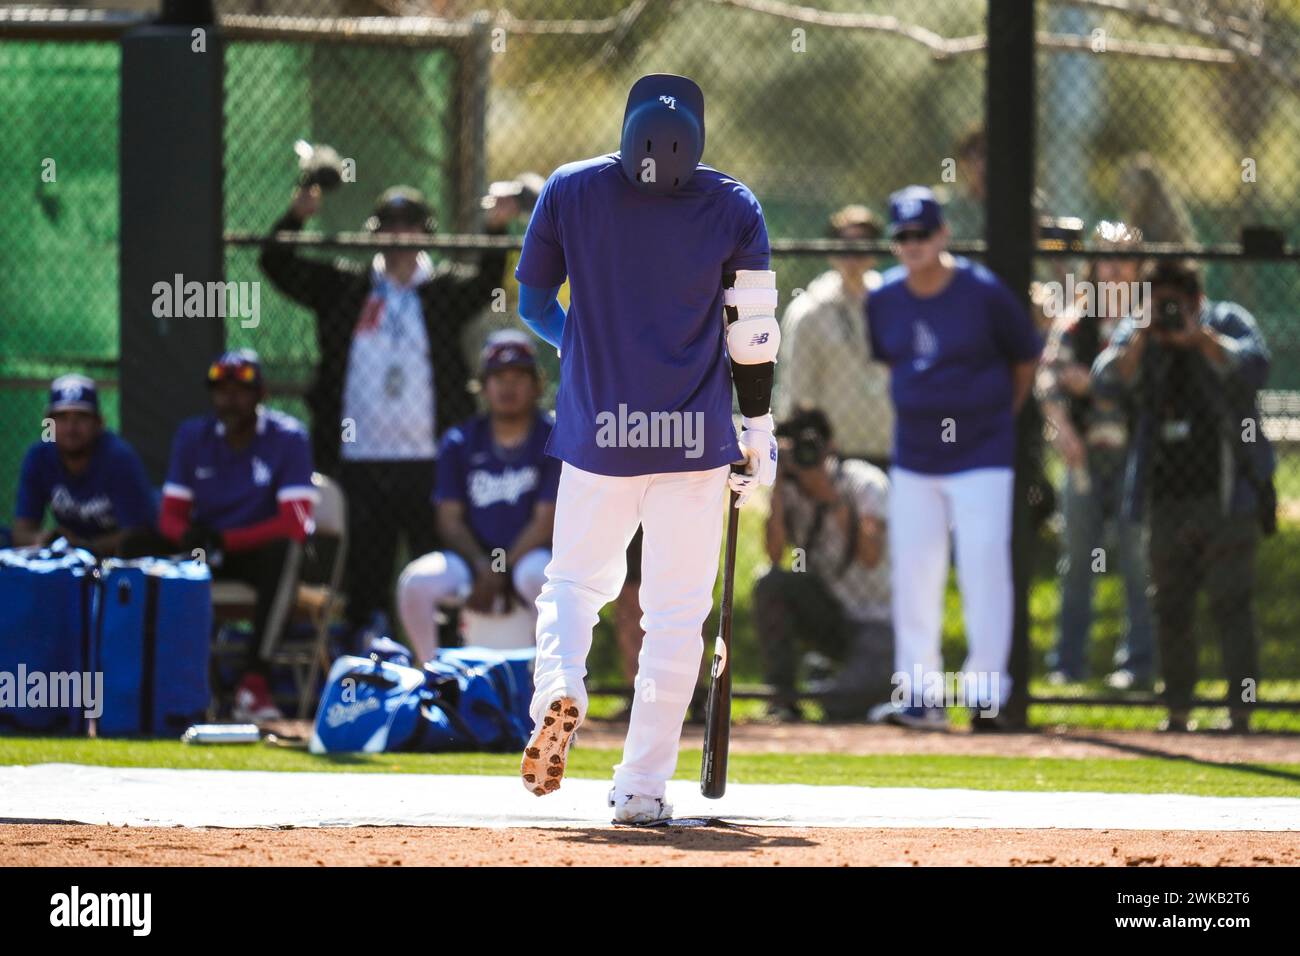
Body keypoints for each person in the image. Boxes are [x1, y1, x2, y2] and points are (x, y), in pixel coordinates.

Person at [513, 74, 777, 823]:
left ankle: (560, 685)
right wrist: (757, 431)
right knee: (673, 616)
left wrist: (583, 350)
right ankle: (640, 789)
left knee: (572, 586)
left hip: (600, 432)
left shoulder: (570, 188)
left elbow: (534, 301)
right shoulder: (732, 205)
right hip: (694, 442)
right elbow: (753, 337)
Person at [259, 180, 516, 639]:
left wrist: (496, 227)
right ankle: (367, 675)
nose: (400, 235)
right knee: (366, 581)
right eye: (390, 226)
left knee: (435, 572)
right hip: (361, 461)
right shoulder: (346, 287)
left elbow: (484, 282)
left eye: (411, 226)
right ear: (375, 232)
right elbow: (276, 264)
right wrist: (297, 215)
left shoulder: (441, 292)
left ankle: (443, 676)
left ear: (426, 233)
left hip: (428, 462)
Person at [864, 186, 1042, 731]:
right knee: (916, 573)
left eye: (922, 233)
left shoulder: (982, 292)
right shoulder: (884, 299)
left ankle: (987, 695)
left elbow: (1025, 360)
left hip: (983, 452)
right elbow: (893, 365)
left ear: (943, 234)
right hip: (914, 455)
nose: (913, 244)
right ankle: (920, 694)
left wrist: (994, 418)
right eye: (903, 237)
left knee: (984, 569)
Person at [1093, 259, 1273, 733]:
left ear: (1196, 299)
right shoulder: (1141, 331)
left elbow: (1256, 366)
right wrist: (1142, 336)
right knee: (1170, 605)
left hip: (1225, 493)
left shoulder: (1226, 320)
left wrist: (1201, 339)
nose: (1171, 311)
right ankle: (1177, 712)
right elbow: (1104, 381)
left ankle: (1241, 713)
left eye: (1179, 301)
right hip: (1164, 493)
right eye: (1161, 300)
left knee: (1231, 602)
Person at [158, 350, 318, 722]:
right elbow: (169, 516)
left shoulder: (288, 438)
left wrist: (226, 541)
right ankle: (179, 683)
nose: (230, 398)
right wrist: (188, 536)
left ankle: (254, 681)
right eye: (221, 390)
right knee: (140, 546)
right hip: (203, 554)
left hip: (256, 556)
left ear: (260, 394)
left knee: (288, 551)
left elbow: (295, 522)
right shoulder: (192, 436)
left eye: (240, 390)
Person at [396, 331, 560, 665]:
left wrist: (503, 567)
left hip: (531, 558)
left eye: (519, 377)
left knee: (538, 579)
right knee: (415, 583)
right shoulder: (459, 441)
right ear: (484, 386)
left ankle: (549, 680)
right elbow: (449, 520)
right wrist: (482, 566)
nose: (508, 387)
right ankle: (432, 675)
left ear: (536, 385)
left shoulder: (554, 438)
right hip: (474, 561)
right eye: (498, 378)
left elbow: (546, 521)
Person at [1037, 221, 1153, 688]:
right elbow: (1049, 378)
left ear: (1139, 266)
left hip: (1135, 457)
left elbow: (1149, 385)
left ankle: (1138, 665)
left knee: (1137, 560)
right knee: (1078, 561)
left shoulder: (1147, 320)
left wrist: (1095, 383)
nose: (1114, 268)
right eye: (1106, 258)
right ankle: (1067, 663)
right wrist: (1062, 430)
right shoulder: (1077, 316)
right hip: (1083, 455)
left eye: (1124, 258)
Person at [757, 408, 893, 722]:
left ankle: (846, 684)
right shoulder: (789, 492)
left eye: (811, 446)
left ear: (829, 447)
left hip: (878, 621)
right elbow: (774, 556)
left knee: (838, 708)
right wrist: (777, 489)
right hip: (832, 616)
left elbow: (870, 557)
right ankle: (783, 700)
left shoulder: (864, 483)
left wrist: (829, 496)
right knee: (771, 583)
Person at [775, 205, 892, 467]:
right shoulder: (809, 311)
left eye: (863, 242)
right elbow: (797, 389)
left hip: (888, 447)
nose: (853, 250)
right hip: (831, 455)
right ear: (830, 249)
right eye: (845, 241)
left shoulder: (892, 303)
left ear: (876, 251)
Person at [13, 375, 156, 556]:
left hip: (116, 563)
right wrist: (43, 539)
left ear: (99, 423)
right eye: (62, 418)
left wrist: (82, 546)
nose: (71, 428)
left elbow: (139, 537)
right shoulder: (38, 457)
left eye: (81, 418)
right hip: (70, 562)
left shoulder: (119, 458)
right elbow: (21, 532)